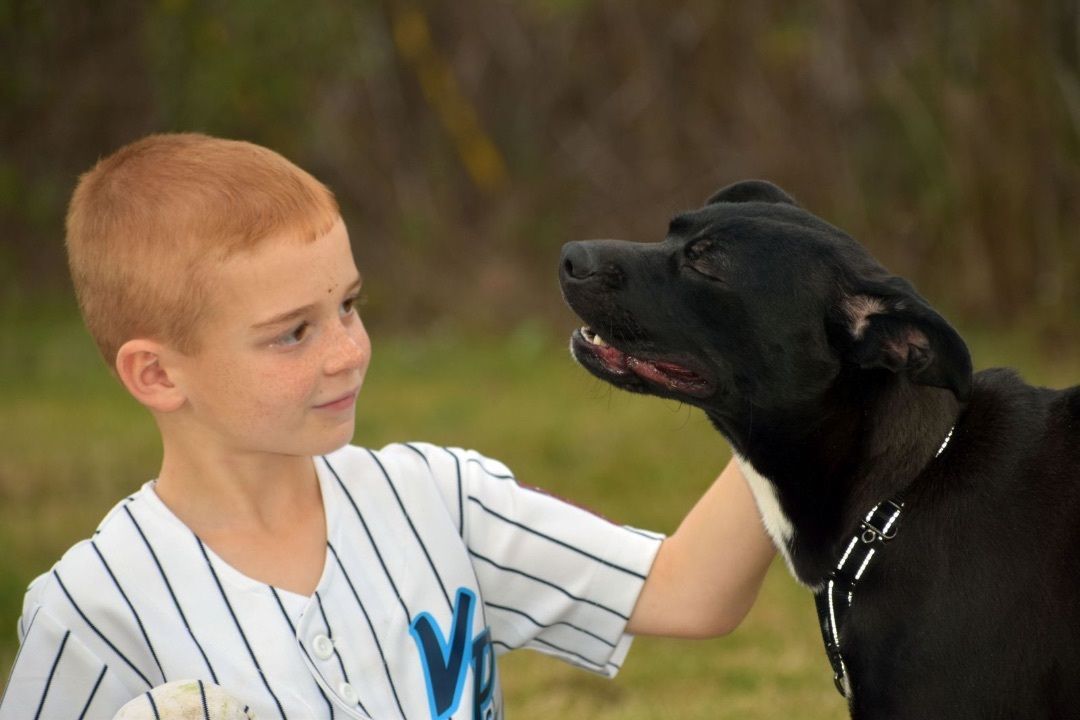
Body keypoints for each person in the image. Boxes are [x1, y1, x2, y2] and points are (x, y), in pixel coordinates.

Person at [0, 133, 774, 720]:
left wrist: (794, 397)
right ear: (158, 374)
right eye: (292, 333)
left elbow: (690, 592)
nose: (347, 351)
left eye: (348, 304)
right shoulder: (95, 611)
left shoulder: (436, 500)